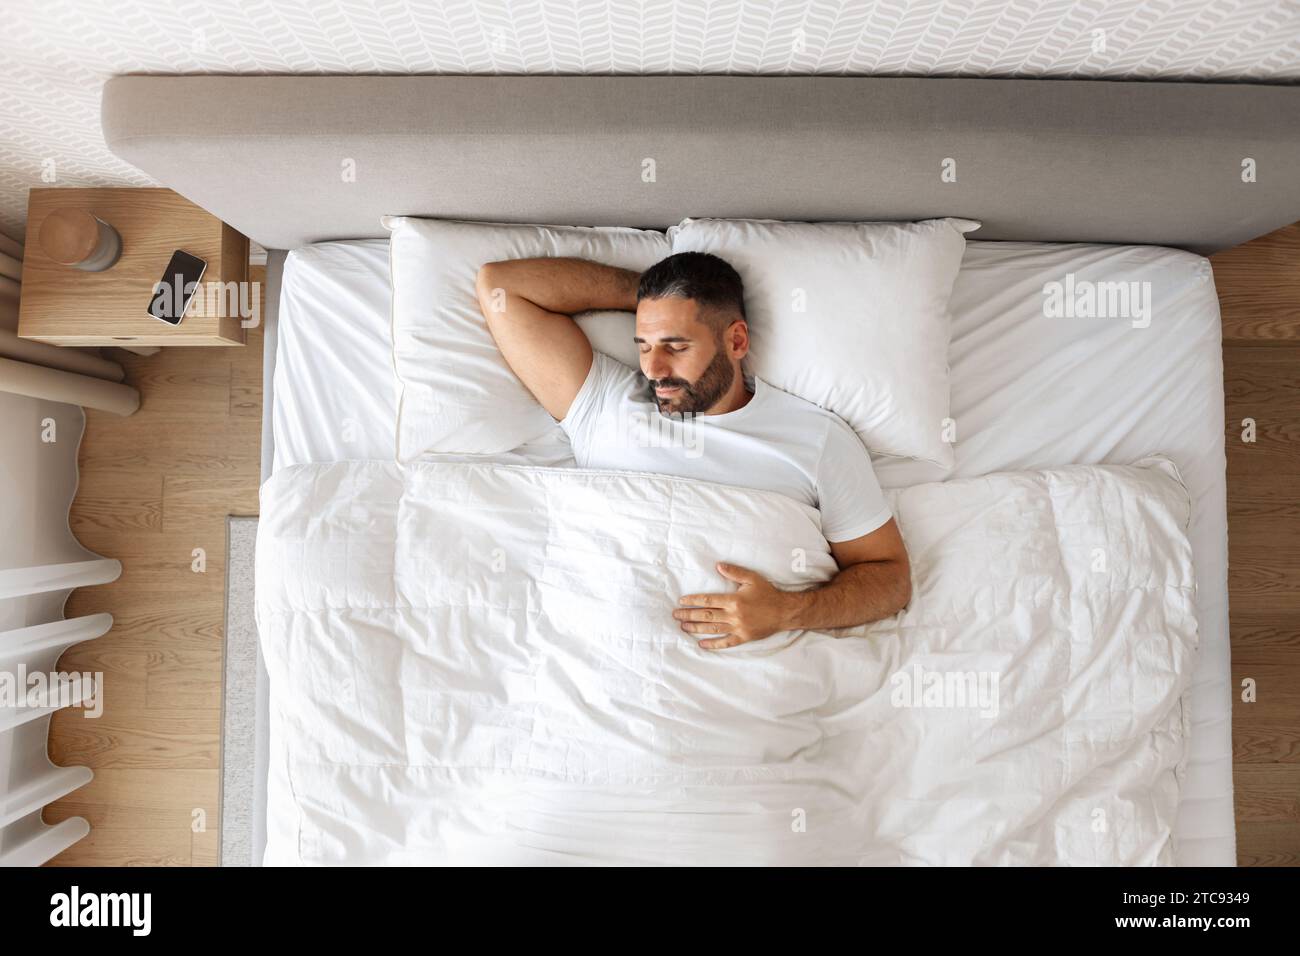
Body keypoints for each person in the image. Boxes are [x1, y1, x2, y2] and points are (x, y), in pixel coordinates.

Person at [476, 251, 911, 650]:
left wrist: (784, 611)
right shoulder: (604, 405)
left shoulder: (816, 439)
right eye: (643, 346)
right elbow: (501, 287)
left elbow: (890, 577)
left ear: (736, 341)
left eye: (676, 346)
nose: (654, 369)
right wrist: (652, 298)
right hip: (596, 653)